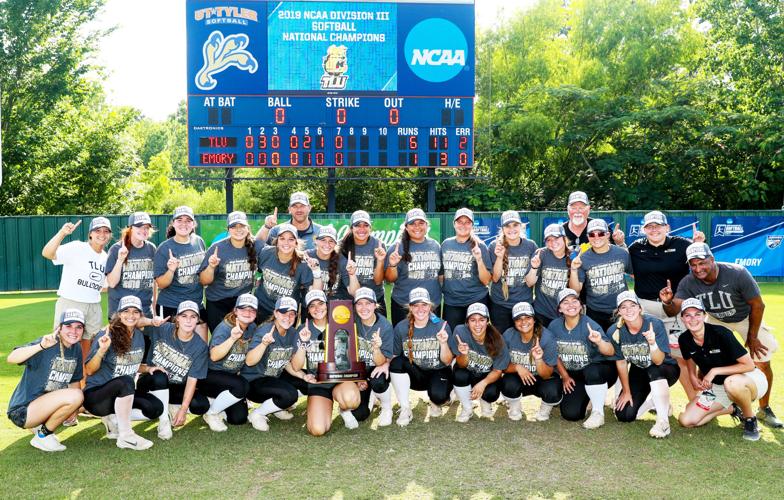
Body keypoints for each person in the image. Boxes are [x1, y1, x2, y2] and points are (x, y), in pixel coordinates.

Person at [662, 242, 782, 428]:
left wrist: (752, 336)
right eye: (693, 264)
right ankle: (712, 398)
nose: (698, 268)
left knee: (761, 358)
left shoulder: (737, 273)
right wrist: (668, 302)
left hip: (745, 318)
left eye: (702, 263)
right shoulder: (689, 281)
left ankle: (764, 408)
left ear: (712, 259)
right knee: (704, 357)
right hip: (716, 319)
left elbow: (758, 305)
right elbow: (673, 310)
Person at [628, 211, 703, 401]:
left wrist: (700, 244)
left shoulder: (683, 245)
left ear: (667, 228)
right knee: (646, 354)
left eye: (658, 226)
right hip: (645, 307)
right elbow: (629, 269)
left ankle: (697, 401)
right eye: (649, 227)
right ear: (644, 229)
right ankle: (652, 399)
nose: (654, 230)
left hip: (675, 306)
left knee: (682, 356)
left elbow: (702, 264)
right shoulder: (635, 248)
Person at [677, 298, 769, 441]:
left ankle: (750, 419)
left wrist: (714, 371)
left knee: (731, 383)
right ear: (682, 318)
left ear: (704, 315)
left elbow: (749, 365)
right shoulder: (684, 339)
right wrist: (692, 376)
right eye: (688, 315)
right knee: (687, 420)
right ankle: (732, 409)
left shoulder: (721, 333)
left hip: (748, 379)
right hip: (719, 387)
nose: (693, 319)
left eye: (697, 314)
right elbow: (689, 358)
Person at [83, 296, 163, 450]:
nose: (130, 315)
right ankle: (126, 436)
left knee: (155, 409)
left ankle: (114, 419)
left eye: (135, 312)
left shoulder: (139, 336)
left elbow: (131, 364)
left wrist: (147, 369)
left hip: (122, 393)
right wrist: (101, 350)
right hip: (97, 396)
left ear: (140, 315)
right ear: (119, 314)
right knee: (126, 381)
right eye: (126, 311)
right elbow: (90, 370)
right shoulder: (107, 334)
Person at [6, 309, 85, 452]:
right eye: (68, 326)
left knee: (80, 399)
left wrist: (74, 409)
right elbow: (12, 357)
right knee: (76, 395)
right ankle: (43, 436)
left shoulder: (76, 348)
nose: (74, 331)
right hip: (23, 411)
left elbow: (74, 381)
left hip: (43, 407)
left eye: (78, 327)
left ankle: (38, 427)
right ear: (59, 328)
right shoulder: (48, 343)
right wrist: (40, 346)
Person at [41, 216, 112, 371]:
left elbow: (105, 285)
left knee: (89, 348)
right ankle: (57, 384)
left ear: (109, 235)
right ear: (90, 234)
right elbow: (47, 253)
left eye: (106, 231)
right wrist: (62, 233)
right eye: (98, 230)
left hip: (93, 305)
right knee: (62, 345)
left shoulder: (106, 257)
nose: (102, 234)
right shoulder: (77, 247)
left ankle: (84, 386)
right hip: (71, 302)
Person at [609, 291, 679, 438]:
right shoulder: (615, 331)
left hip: (665, 369)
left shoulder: (654, 324)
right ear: (619, 311)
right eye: (623, 307)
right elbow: (621, 363)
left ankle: (663, 423)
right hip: (640, 370)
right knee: (624, 415)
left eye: (632, 305)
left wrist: (652, 343)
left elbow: (659, 360)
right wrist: (626, 391)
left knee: (654, 369)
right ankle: (655, 401)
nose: (629, 310)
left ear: (640, 308)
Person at [136, 300, 209, 440]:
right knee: (161, 375)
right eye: (184, 316)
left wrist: (183, 409)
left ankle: (170, 405)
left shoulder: (200, 346)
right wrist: (152, 321)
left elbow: (192, 379)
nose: (188, 320)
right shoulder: (163, 329)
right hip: (151, 381)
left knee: (200, 405)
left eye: (193, 317)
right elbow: (137, 323)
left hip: (175, 385)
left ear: (197, 321)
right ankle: (164, 421)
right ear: (177, 318)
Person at [296, 290, 362, 436]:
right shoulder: (303, 330)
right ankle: (324, 406)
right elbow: (296, 366)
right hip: (318, 382)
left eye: (320, 303)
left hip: (340, 380)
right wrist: (303, 343)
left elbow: (351, 355)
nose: (317, 308)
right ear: (308, 310)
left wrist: (357, 379)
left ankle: (344, 410)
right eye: (312, 306)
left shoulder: (341, 324)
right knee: (317, 430)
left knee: (351, 400)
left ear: (327, 305)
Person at [550, 288, 618, 429]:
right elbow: (554, 354)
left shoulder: (590, 324)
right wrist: (565, 376)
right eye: (565, 302)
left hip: (600, 371)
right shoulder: (554, 326)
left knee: (591, 370)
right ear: (560, 309)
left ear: (581, 305)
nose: (571, 305)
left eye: (575, 301)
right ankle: (590, 398)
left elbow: (610, 351)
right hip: (576, 374)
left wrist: (599, 341)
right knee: (571, 414)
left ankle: (598, 413)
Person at [243, 297, 309, 432]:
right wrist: (264, 344)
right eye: (283, 313)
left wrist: (304, 377)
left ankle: (275, 406)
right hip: (254, 381)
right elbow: (249, 361)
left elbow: (286, 363)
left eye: (292, 314)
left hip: (274, 375)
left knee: (309, 381)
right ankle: (258, 414)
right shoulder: (266, 331)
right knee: (289, 395)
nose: (288, 317)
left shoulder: (292, 332)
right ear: (276, 313)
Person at [389, 288, 454, 426]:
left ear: (430, 306)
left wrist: (443, 343)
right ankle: (406, 408)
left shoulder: (441, 326)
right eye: (416, 305)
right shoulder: (401, 327)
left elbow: (448, 361)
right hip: (416, 374)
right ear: (410, 308)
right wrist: (384, 365)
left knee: (439, 397)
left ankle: (436, 399)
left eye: (424, 305)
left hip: (438, 371)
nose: (420, 309)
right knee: (396, 363)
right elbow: (394, 355)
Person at [198, 294, 259, 431]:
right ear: (235, 310)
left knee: (238, 418)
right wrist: (232, 339)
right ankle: (211, 413)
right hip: (211, 375)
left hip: (230, 377)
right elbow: (213, 356)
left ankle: (215, 401)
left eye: (252, 310)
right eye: (243, 309)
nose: (247, 313)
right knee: (241, 386)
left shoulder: (252, 327)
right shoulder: (225, 328)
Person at [198, 211, 265, 333]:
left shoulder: (255, 245)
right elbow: (203, 281)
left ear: (247, 228)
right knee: (221, 339)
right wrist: (211, 267)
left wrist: (267, 226)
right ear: (228, 229)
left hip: (243, 301)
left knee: (244, 339)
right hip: (218, 302)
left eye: (242, 226)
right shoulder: (218, 248)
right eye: (234, 226)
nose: (238, 230)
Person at [500, 302, 562, 422]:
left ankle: (544, 411)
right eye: (519, 319)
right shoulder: (508, 335)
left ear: (534, 319)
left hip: (541, 378)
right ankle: (514, 408)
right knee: (508, 383)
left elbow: (547, 374)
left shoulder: (547, 338)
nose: (523, 322)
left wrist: (538, 359)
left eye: (528, 317)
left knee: (553, 390)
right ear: (514, 322)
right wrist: (518, 367)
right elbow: (502, 366)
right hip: (520, 377)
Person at [154, 206, 208, 341]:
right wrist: (171, 270)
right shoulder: (164, 248)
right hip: (171, 305)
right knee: (171, 351)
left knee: (200, 347)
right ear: (173, 223)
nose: (184, 224)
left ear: (193, 223)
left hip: (196, 304)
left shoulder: (199, 241)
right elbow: (161, 283)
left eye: (188, 220)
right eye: (179, 220)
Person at [569, 218, 633, 330]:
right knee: (598, 345)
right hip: (595, 312)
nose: (596, 237)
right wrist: (573, 270)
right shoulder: (583, 257)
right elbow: (576, 290)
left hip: (620, 310)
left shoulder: (622, 253)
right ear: (588, 237)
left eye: (601, 233)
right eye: (592, 234)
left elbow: (633, 274)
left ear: (608, 235)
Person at [451, 303, 510, 422]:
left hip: (487, 374)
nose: (477, 324)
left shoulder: (497, 339)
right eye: (473, 320)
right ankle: (467, 408)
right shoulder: (460, 332)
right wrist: (464, 353)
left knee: (491, 394)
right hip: (468, 371)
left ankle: (485, 403)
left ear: (487, 321)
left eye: (481, 320)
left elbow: (498, 370)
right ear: (467, 322)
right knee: (459, 374)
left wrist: (483, 384)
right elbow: (461, 364)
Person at [385, 208, 443, 326]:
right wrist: (393, 264)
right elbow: (389, 279)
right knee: (404, 342)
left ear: (426, 225)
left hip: (431, 305)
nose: (417, 227)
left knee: (431, 342)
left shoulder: (435, 245)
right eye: (412, 224)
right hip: (404, 305)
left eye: (421, 223)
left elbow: (440, 275)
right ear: (406, 227)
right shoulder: (397, 248)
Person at [255, 223, 319, 322]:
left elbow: (315, 292)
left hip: (286, 313)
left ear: (296, 243)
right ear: (276, 241)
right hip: (261, 307)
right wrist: (266, 225)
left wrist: (316, 272)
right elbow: (256, 243)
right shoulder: (266, 253)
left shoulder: (303, 263)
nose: (286, 243)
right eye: (282, 238)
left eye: (291, 239)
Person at [441, 208, 492, 330]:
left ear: (472, 225)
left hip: (476, 299)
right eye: (460, 222)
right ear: (454, 224)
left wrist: (479, 259)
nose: (463, 225)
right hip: (452, 302)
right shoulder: (446, 244)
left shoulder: (480, 246)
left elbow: (486, 281)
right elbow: (441, 274)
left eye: (467, 222)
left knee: (478, 337)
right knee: (452, 337)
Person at [351, 287, 395, 426]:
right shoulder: (351, 321)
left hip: (375, 366)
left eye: (368, 303)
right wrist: (358, 378)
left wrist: (376, 349)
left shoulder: (385, 326)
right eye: (359, 303)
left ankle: (387, 407)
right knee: (359, 415)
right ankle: (370, 395)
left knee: (378, 380)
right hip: (358, 369)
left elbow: (382, 362)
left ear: (375, 305)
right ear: (355, 306)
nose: (364, 307)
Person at [488, 210, 538, 334]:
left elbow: (531, 282)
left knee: (524, 341)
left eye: (515, 225)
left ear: (521, 226)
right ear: (502, 228)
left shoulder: (530, 246)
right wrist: (500, 257)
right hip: (500, 304)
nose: (512, 229)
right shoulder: (495, 246)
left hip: (524, 303)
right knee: (501, 342)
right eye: (507, 226)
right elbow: (494, 278)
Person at [106, 212, 157, 319]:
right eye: (139, 227)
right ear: (130, 228)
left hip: (145, 312)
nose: (143, 230)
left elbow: (153, 282)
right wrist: (120, 260)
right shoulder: (116, 249)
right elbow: (111, 283)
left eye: (146, 227)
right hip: (121, 314)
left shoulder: (151, 249)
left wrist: (154, 309)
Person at [339, 210, 388, 316]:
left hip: (375, 299)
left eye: (365, 225)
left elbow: (378, 281)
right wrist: (352, 274)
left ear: (370, 227)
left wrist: (380, 261)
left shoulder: (378, 245)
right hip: (352, 300)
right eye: (357, 225)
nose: (362, 229)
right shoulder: (343, 247)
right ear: (351, 228)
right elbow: (353, 291)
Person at [528, 224, 571, 327]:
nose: (553, 242)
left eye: (556, 238)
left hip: (566, 312)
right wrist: (534, 267)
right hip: (542, 312)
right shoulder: (541, 254)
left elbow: (576, 289)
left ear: (564, 238)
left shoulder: (573, 255)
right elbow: (529, 283)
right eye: (549, 240)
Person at [561, 191, 625, 250]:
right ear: (568, 209)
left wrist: (619, 243)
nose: (577, 211)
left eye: (581, 208)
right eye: (573, 208)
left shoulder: (601, 228)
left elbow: (619, 257)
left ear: (588, 209)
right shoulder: (560, 231)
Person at [306, 225, 350, 300]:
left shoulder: (341, 259)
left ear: (335, 243)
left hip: (335, 305)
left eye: (331, 241)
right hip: (313, 305)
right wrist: (316, 271)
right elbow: (315, 294)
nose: (327, 244)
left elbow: (353, 291)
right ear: (316, 241)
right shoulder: (307, 256)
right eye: (323, 240)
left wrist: (352, 274)